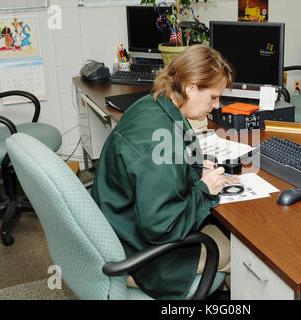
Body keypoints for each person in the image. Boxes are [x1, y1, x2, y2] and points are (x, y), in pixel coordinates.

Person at [92, 45, 236, 299]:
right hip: (144, 259)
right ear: (191, 87)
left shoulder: (153, 103)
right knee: (245, 254)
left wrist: (195, 168)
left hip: (120, 232)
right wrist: (204, 191)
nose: (216, 105)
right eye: (213, 97)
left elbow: (163, 170)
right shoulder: (160, 144)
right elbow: (162, 228)